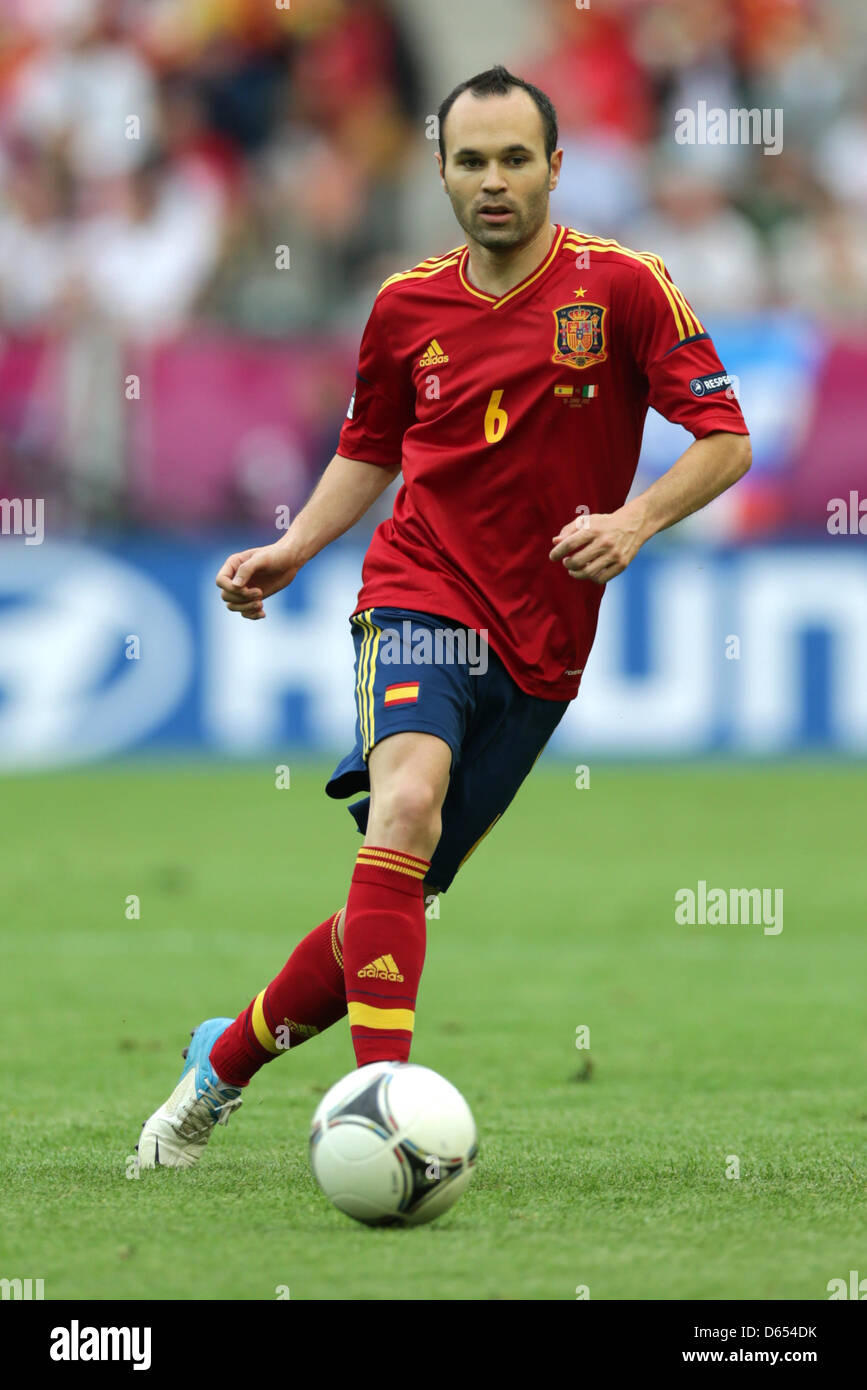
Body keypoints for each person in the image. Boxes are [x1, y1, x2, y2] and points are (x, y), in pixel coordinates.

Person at [137, 66, 750, 1168]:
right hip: (418, 592)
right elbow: (370, 448)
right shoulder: (402, 304)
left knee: (396, 892)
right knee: (404, 802)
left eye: (517, 158)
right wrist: (293, 546)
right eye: (472, 160)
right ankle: (387, 1107)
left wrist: (637, 520)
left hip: (545, 643)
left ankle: (222, 1060)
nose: (494, 180)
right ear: (441, 172)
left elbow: (725, 437)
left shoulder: (625, 289)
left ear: (557, 168)